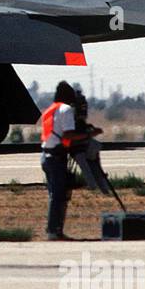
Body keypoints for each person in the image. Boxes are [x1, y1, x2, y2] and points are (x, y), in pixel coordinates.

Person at [39, 80, 99, 240]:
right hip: (56, 157)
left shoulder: (49, 110)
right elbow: (68, 135)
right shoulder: (65, 110)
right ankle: (53, 231)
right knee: (59, 196)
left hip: (46, 156)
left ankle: (55, 230)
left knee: (55, 195)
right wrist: (88, 135)